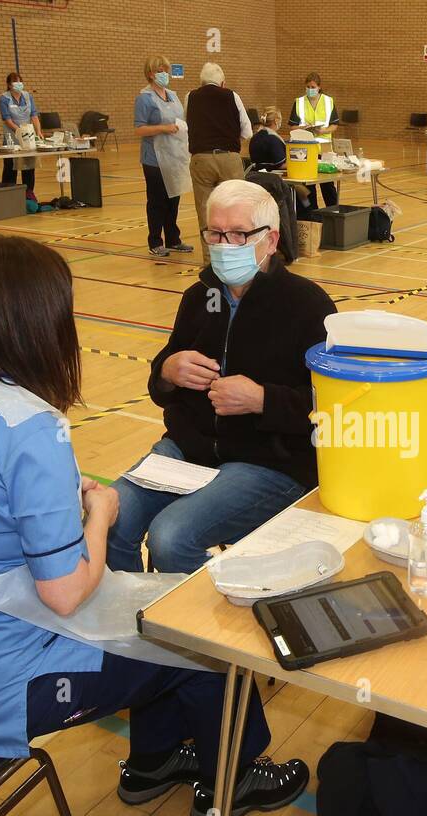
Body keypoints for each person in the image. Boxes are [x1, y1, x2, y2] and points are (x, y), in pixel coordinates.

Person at [0, 234, 309, 816]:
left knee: (156, 618)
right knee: (200, 634)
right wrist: (100, 519)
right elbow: (66, 591)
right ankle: (231, 779)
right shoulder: (29, 429)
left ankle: (153, 762)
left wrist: (49, 505)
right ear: (42, 321)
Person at [107, 179, 336, 574]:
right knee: (109, 515)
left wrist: (263, 400)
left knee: (171, 536)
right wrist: (167, 371)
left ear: (270, 239)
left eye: (238, 234)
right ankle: (133, 618)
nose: (223, 244)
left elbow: (330, 410)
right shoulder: (200, 297)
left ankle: (200, 623)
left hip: (268, 463)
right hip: (187, 451)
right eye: (214, 232)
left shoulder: (307, 305)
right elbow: (161, 387)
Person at [185, 62, 252, 245]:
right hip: (228, 158)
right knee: (235, 209)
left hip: (201, 159)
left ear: (201, 82)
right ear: (223, 83)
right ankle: (235, 253)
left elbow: (187, 125)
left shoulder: (190, 96)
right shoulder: (232, 96)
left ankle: (210, 262)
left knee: (205, 212)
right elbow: (247, 131)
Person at [134, 55, 193, 258]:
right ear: (151, 73)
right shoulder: (144, 98)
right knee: (157, 200)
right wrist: (162, 128)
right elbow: (139, 129)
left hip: (174, 155)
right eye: (160, 70)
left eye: (166, 69)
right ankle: (155, 241)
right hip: (154, 158)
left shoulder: (173, 95)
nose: (164, 74)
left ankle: (173, 238)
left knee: (173, 199)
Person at [288, 72, 340, 208]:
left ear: (319, 87)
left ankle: (333, 209)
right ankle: (312, 212)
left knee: (327, 184)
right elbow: (292, 126)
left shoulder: (328, 101)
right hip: (306, 147)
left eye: (313, 87)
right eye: (308, 87)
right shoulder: (299, 102)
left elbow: (334, 125)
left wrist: (323, 130)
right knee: (309, 183)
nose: (310, 89)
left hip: (324, 147)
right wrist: (303, 128)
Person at [0, 72, 38, 195]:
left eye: (20, 82)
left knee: (29, 168)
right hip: (12, 137)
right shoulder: (4, 98)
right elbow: (7, 119)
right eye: (15, 83)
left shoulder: (28, 96)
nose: (19, 85)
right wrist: (19, 132)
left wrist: (38, 132)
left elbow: (34, 116)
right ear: (9, 85)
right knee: (10, 169)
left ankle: (29, 195)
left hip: (28, 138)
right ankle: (8, 195)